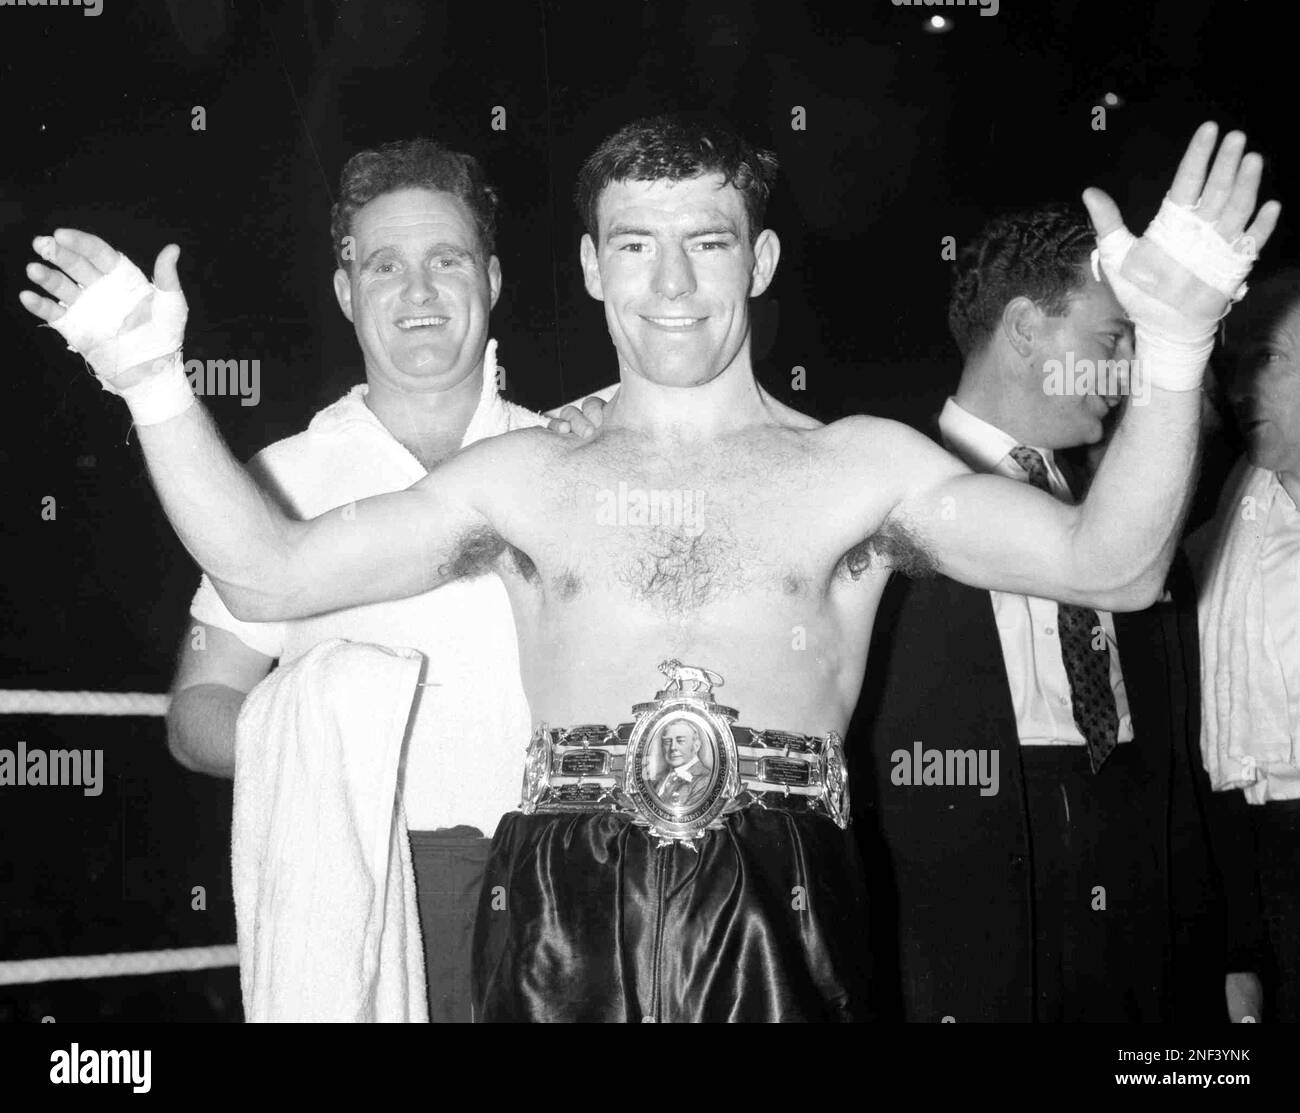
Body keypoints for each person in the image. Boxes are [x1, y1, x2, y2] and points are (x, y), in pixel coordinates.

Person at [20, 116, 1275, 1022]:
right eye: (633, 244)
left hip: (782, 894)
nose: (670, 284)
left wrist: (1170, 348)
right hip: (559, 900)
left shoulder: (860, 466)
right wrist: (147, 380)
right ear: (586, 268)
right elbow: (271, 575)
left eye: (708, 243)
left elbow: (1110, 570)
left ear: (761, 263)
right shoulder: (528, 477)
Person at [164, 137, 601, 1021]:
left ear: (493, 278)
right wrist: (327, 735)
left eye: (446, 260)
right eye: (384, 266)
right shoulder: (275, 479)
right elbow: (195, 708)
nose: (418, 293)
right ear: (344, 291)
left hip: (566, 885)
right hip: (359, 882)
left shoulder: (577, 455)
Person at [853, 204, 1230, 1022]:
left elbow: (1176, 774)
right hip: (963, 937)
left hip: (1139, 929)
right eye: (1110, 341)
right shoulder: (867, 510)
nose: (1129, 371)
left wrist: (1226, 954)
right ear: (1025, 329)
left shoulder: (1133, 518)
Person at [1191, 269, 1300, 1023]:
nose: (1237, 389)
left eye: (1266, 360)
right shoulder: (1230, 503)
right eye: (1233, 365)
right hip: (1255, 848)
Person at [652, 720, 713, 809]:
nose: (673, 747)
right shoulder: (658, 779)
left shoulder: (706, 780)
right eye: (667, 742)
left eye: (680, 741)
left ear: (696, 745)